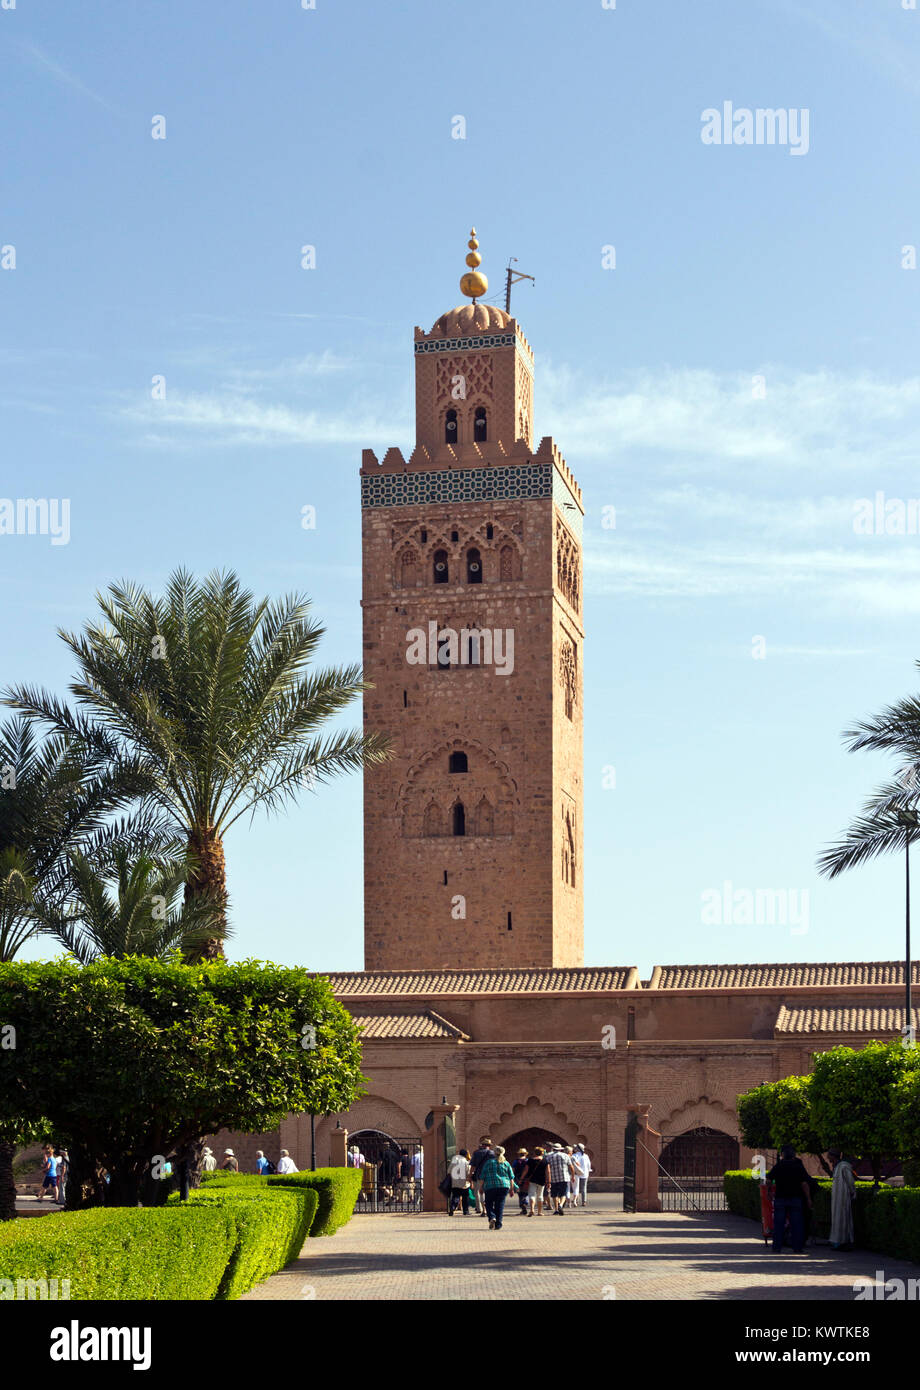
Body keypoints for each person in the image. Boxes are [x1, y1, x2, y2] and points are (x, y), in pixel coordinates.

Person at [766, 1144, 812, 1254]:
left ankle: (777, 1248)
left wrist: (769, 1191)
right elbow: (804, 1184)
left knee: (778, 1224)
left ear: (782, 1155)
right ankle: (797, 1248)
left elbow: (768, 1179)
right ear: (793, 1155)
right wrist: (808, 1198)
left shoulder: (779, 1166)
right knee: (796, 1225)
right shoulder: (798, 1166)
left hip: (780, 1199)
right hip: (795, 1199)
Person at [479, 1145, 516, 1230]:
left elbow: (483, 1176)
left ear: (494, 1153)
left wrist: (481, 1187)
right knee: (500, 1205)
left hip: (490, 1186)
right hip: (504, 1186)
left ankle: (492, 1217)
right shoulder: (506, 1163)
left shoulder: (489, 1162)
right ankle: (498, 1224)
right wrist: (512, 1189)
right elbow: (511, 1177)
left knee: (488, 1203)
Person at [829, 1150, 856, 1250]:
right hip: (837, 1198)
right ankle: (838, 1241)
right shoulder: (838, 1167)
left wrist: (852, 1192)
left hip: (843, 1198)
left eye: (829, 1156)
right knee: (837, 1219)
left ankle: (845, 1241)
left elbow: (850, 1181)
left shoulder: (844, 1166)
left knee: (843, 1219)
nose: (828, 1158)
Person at [469, 1136, 494, 1217]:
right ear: (489, 1145)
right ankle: (489, 1208)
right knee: (489, 1193)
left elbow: (473, 1166)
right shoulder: (492, 1153)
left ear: (482, 1145)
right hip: (490, 1176)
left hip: (479, 1176)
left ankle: (483, 1209)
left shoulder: (476, 1153)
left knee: (479, 1193)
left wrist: (470, 1175)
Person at [546, 1142, 574, 1214]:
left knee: (554, 1194)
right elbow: (571, 1167)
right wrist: (573, 1176)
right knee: (563, 1194)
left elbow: (547, 1169)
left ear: (553, 1149)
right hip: (564, 1177)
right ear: (560, 1149)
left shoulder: (548, 1156)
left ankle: (556, 1209)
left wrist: (547, 1179)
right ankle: (561, 1205)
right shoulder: (565, 1156)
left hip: (553, 1178)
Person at [448, 1148, 472, 1215]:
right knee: (465, 1197)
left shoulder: (454, 1160)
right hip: (464, 1182)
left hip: (455, 1181)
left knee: (455, 1196)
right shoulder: (466, 1162)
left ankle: (452, 1208)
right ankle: (466, 1211)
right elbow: (468, 1172)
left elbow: (449, 1170)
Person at [526, 1147, 548, 1215]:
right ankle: (539, 1212)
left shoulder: (530, 1160)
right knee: (540, 1196)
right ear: (542, 1153)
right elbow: (548, 1171)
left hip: (532, 1179)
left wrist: (522, 1178)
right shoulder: (545, 1160)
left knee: (532, 1194)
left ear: (535, 1152)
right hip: (542, 1180)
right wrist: (549, 1181)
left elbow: (526, 1170)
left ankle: (532, 1209)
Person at [512, 1149, 530, 1213]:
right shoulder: (528, 1161)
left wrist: (512, 1179)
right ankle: (525, 1202)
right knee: (526, 1192)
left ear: (519, 1154)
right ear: (525, 1154)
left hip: (517, 1178)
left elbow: (513, 1171)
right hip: (527, 1179)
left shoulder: (516, 1161)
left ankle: (522, 1205)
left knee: (520, 1193)